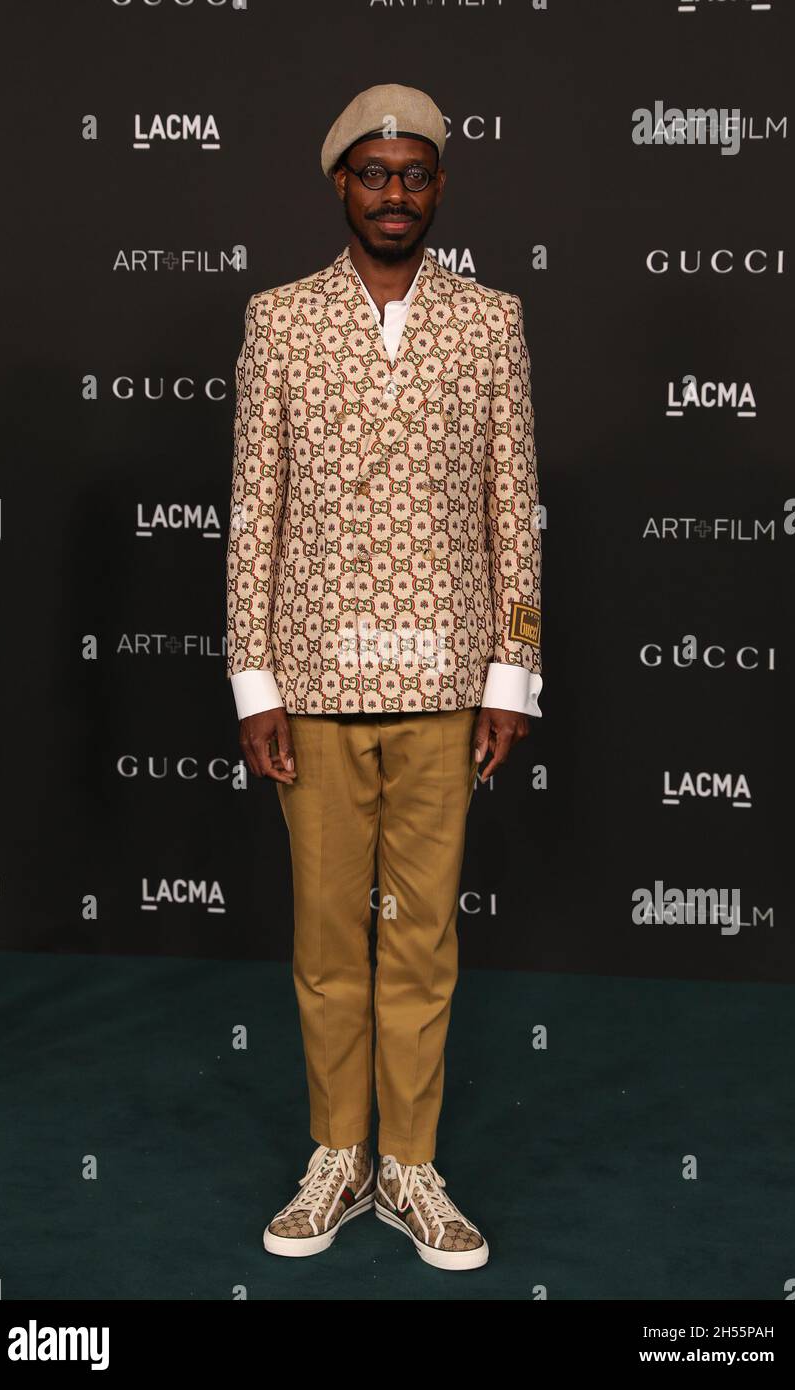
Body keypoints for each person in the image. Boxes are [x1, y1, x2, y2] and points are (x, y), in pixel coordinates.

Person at [225, 83, 542, 1271]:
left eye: (414, 173)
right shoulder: (281, 319)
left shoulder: (491, 319)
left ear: (439, 186)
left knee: (419, 935)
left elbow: (514, 504)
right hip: (311, 678)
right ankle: (335, 1157)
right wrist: (253, 681)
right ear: (339, 184)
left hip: (447, 679)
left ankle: (408, 1165)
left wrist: (513, 671)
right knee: (323, 936)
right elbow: (255, 508)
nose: (394, 192)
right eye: (373, 172)